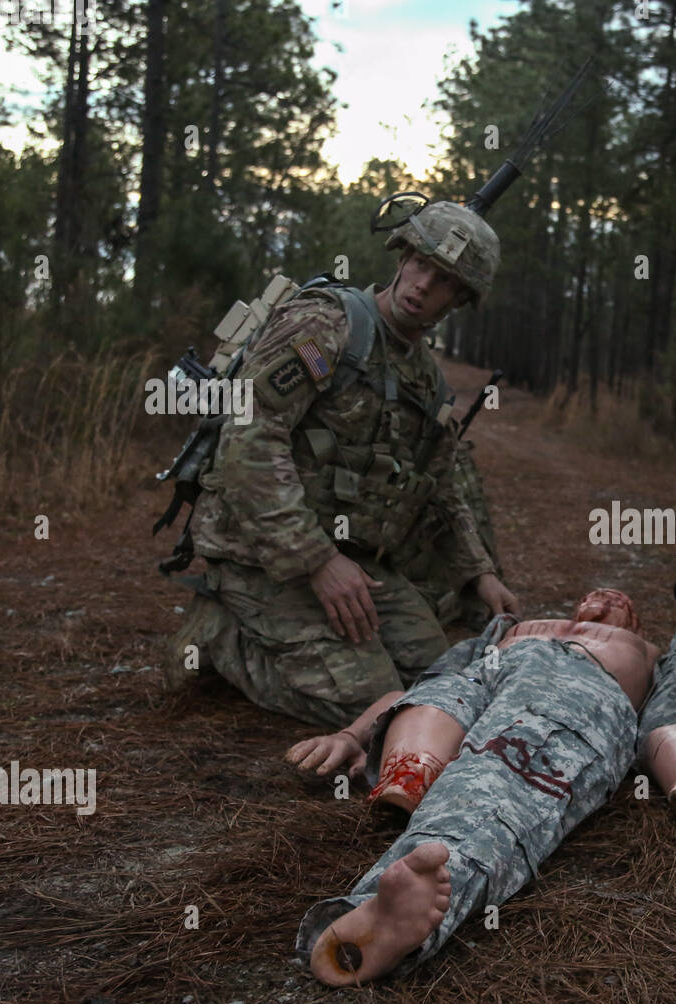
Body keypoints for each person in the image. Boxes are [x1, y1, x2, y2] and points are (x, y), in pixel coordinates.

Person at [167, 200, 518, 728]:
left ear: (458, 300)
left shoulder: (425, 378)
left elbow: (441, 488)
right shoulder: (327, 325)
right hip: (263, 555)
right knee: (378, 703)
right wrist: (318, 561)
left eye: (443, 280)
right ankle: (225, 639)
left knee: (441, 683)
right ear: (401, 258)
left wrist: (479, 574)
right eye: (420, 264)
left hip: (357, 563)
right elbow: (249, 438)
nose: (423, 284)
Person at [287, 589, 676, 985]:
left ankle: (370, 921)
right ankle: (407, 777)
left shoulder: (651, 653)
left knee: (496, 783)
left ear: (635, 619)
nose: (606, 597)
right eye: (596, 594)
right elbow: (427, 682)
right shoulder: (511, 630)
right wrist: (353, 735)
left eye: (622, 599)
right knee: (429, 709)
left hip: (573, 691)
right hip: (479, 677)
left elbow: (672, 715)